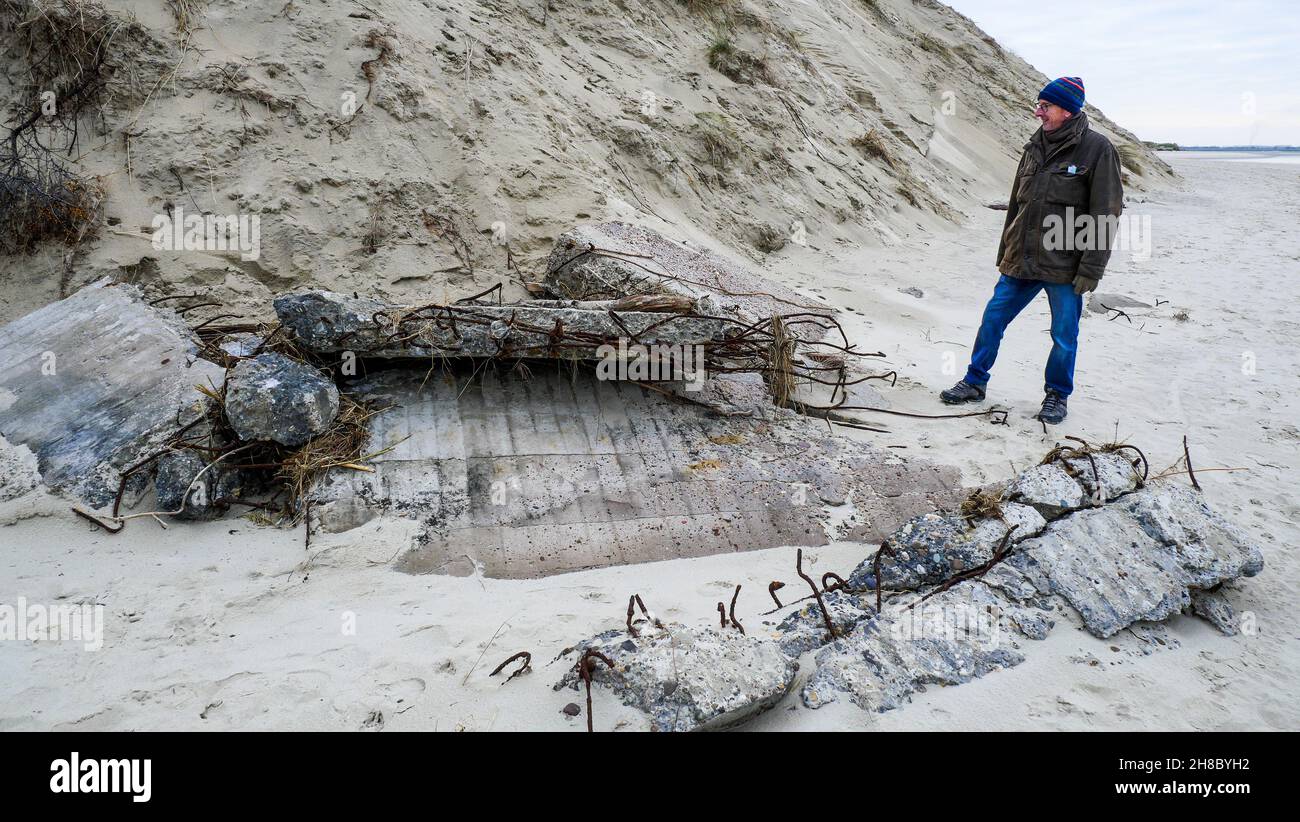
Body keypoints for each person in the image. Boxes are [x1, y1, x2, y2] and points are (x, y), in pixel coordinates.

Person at [940, 76, 1123, 424]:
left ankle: (1057, 396)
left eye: (1046, 106)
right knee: (993, 320)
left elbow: (1106, 212)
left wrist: (1091, 269)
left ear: (1067, 111)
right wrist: (1004, 251)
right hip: (1020, 259)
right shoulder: (1033, 146)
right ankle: (975, 381)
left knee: (1064, 336)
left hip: (1065, 264)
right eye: (1039, 105)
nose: (1038, 112)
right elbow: (1016, 205)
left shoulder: (1098, 149)